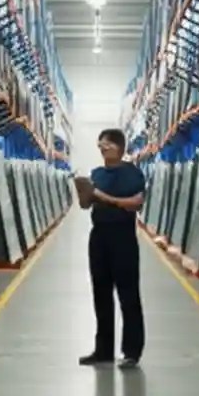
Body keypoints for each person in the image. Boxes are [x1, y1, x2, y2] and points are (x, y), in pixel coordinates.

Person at [76, 128, 146, 369]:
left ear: (119, 147)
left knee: (128, 295)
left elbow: (135, 204)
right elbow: (86, 205)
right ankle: (103, 350)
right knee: (101, 294)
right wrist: (84, 192)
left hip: (123, 239)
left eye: (106, 144)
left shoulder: (133, 174)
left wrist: (102, 196)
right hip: (99, 238)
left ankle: (131, 352)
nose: (102, 148)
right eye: (100, 144)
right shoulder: (97, 174)